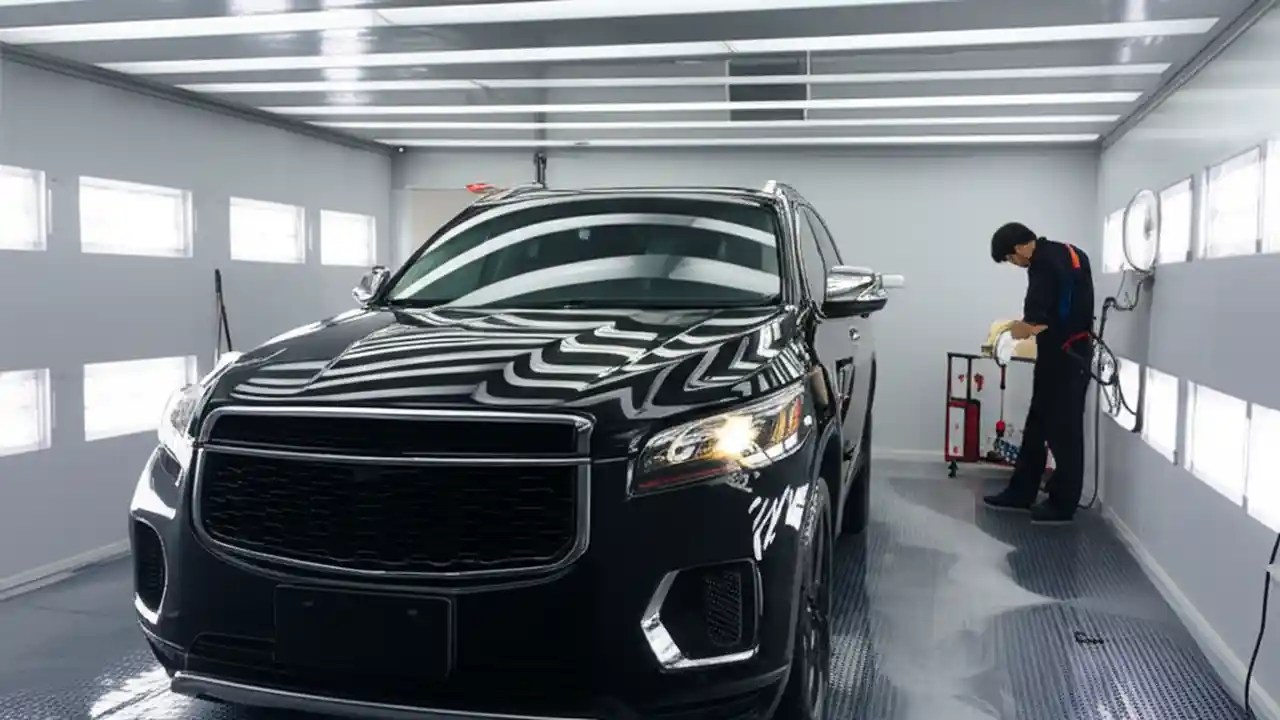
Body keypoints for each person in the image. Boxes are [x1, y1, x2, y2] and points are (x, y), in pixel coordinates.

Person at [983, 222, 1094, 524]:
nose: (1014, 263)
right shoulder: (1072, 252)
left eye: (1010, 258)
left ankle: (1062, 504)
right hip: (1073, 353)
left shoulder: (1042, 264)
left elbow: (1037, 317)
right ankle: (1021, 491)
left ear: (1020, 247)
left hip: (1063, 358)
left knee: (1063, 431)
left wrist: (1006, 340)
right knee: (1038, 425)